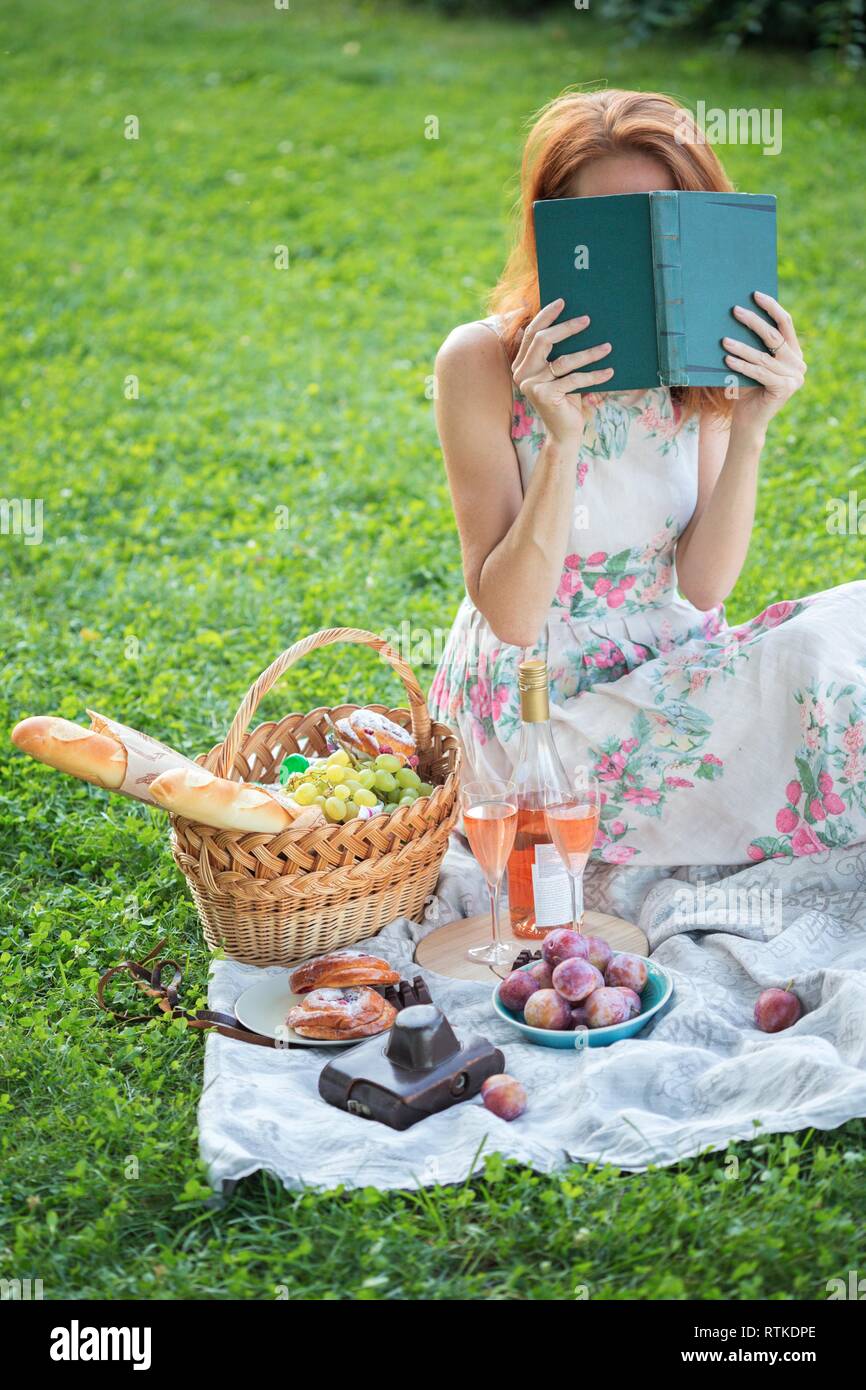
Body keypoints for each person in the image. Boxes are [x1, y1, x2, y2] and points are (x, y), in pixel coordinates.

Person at [429, 88, 865, 867]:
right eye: (610, 231)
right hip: (542, 717)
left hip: (674, 667)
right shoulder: (481, 361)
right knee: (808, 667)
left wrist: (753, 423)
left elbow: (701, 588)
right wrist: (562, 439)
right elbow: (514, 618)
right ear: (554, 231)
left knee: (851, 626)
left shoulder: (694, 350)